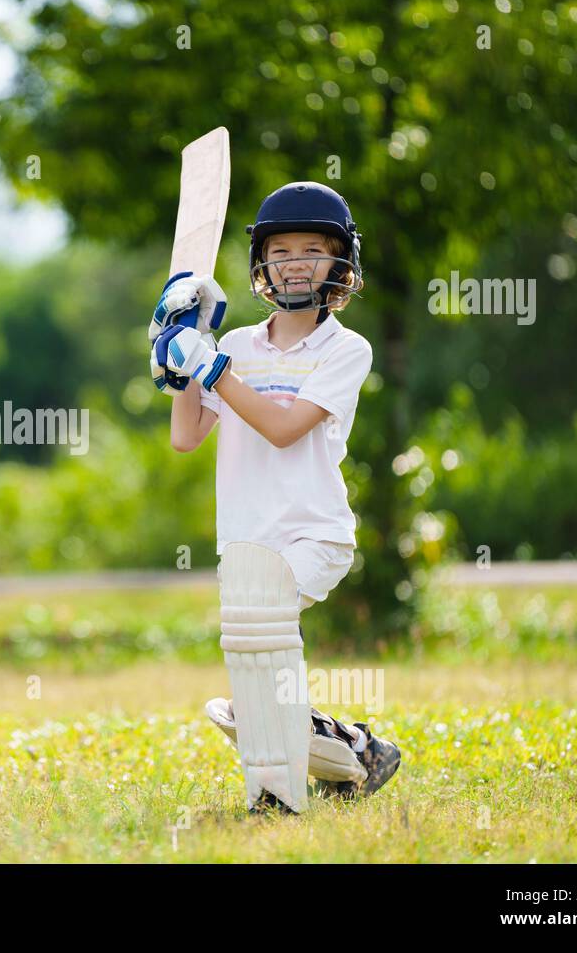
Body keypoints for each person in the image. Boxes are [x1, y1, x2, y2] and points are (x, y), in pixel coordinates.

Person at [150, 181, 401, 813]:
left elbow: (284, 430)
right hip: (245, 537)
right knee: (245, 705)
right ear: (261, 261)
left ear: (339, 262)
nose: (295, 261)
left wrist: (210, 368)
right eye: (280, 248)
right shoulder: (233, 345)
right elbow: (185, 436)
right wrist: (183, 350)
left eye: (312, 249)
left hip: (314, 534)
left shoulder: (346, 349)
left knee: (261, 650)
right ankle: (359, 753)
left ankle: (277, 802)